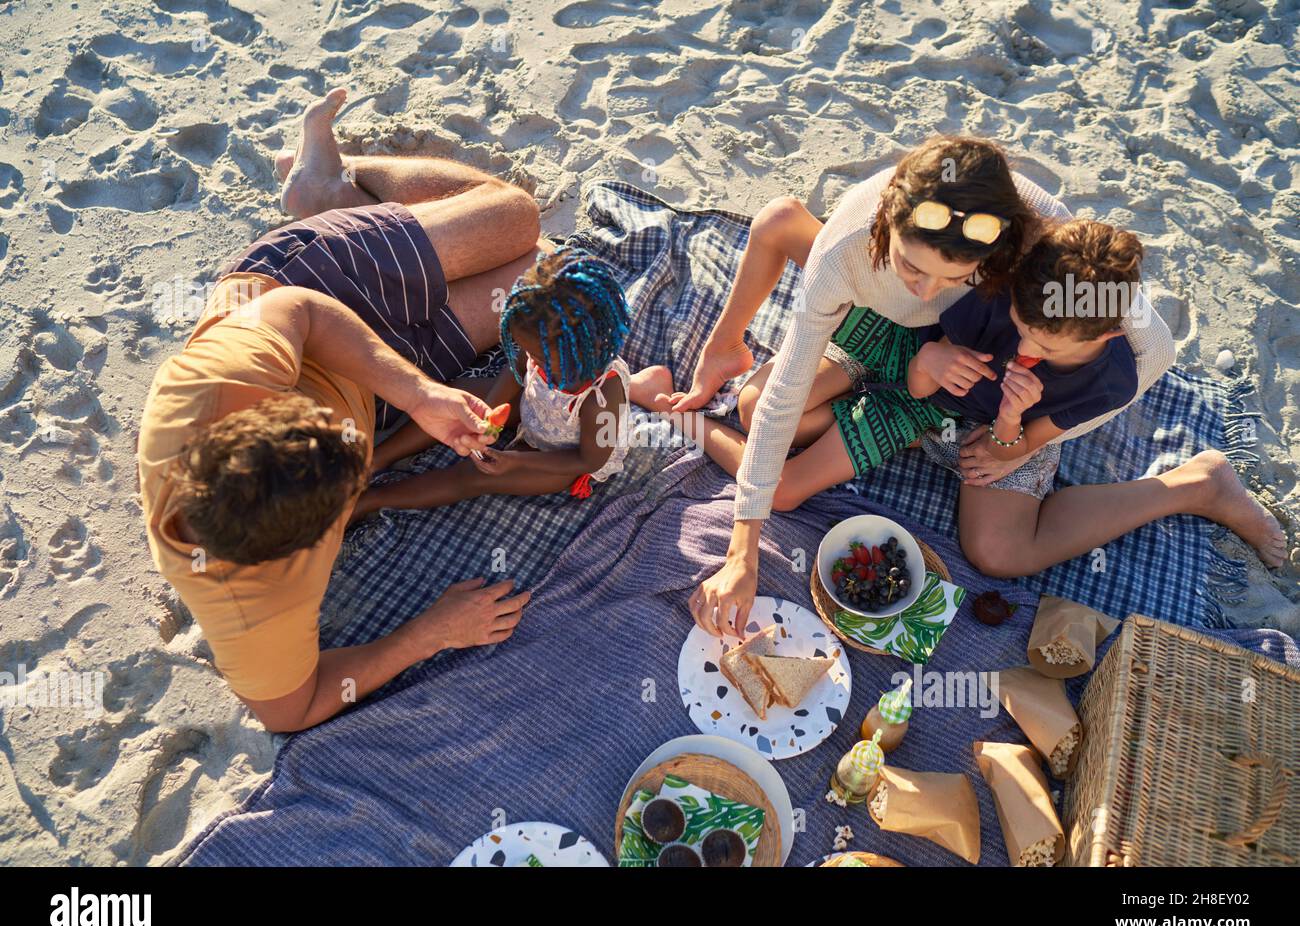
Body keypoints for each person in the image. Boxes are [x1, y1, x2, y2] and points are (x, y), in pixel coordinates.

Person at [673, 135, 1285, 638]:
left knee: (997, 551)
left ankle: (1193, 485)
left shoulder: (1045, 244)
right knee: (759, 408)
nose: (924, 291)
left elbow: (1150, 355)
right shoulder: (850, 254)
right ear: (888, 219)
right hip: (904, 350)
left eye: (953, 276)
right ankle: (904, 418)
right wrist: (741, 552)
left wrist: (1025, 439)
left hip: (998, 404)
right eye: (911, 265)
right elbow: (785, 398)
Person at [138, 89, 539, 732]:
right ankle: (341, 203)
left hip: (302, 288)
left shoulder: (221, 382)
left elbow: (300, 310)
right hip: (368, 391)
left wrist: (421, 395)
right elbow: (291, 711)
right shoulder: (247, 606)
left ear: (259, 418)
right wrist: (431, 633)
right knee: (534, 280)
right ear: (308, 539)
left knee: (517, 217)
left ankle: (329, 186)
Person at [351, 248, 667, 516]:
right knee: (458, 396)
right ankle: (379, 457)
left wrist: (512, 460)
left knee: (475, 476)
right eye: (529, 352)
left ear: (587, 347)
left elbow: (590, 457)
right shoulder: (541, 344)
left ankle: (373, 500)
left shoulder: (602, 395)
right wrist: (487, 416)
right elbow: (516, 372)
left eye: (541, 359)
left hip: (561, 456)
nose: (532, 360)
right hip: (535, 408)